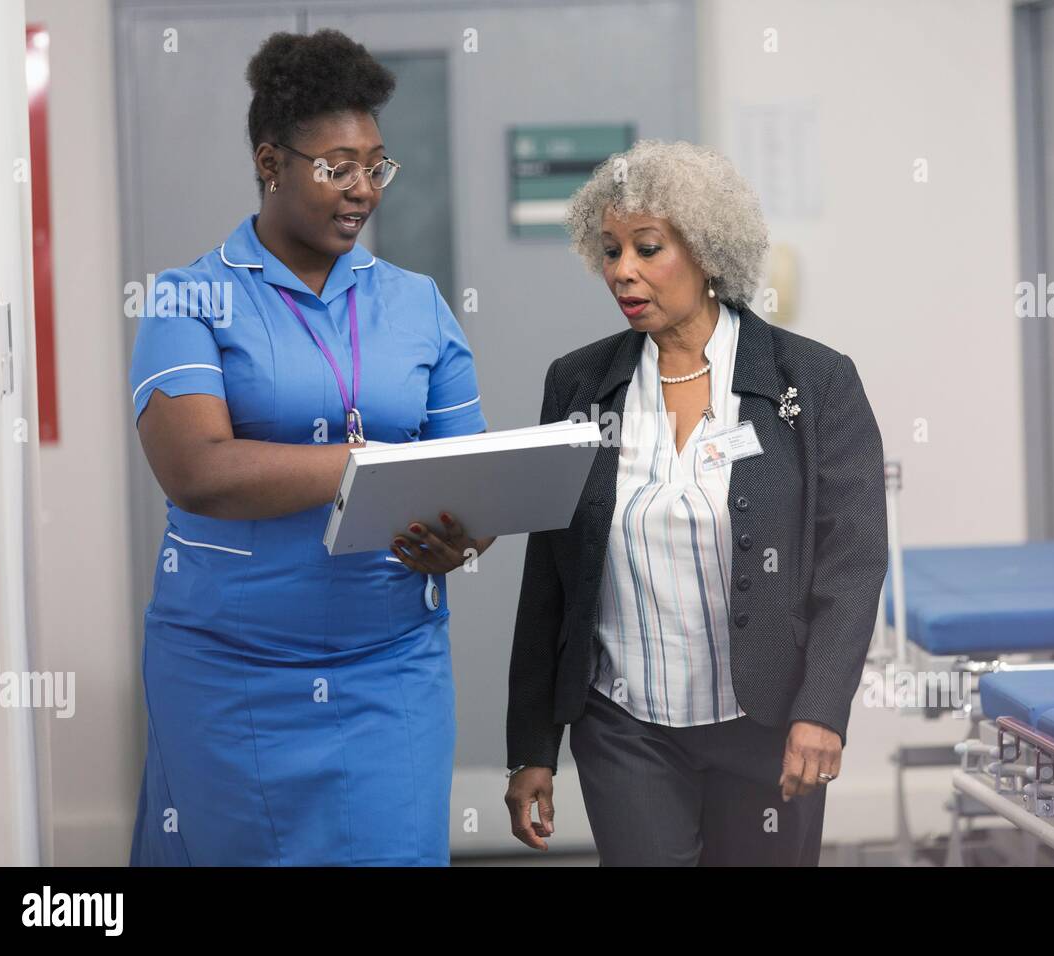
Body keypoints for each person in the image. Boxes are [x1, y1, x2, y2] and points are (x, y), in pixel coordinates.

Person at [128, 29, 491, 866]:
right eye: (337, 167)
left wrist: (460, 534)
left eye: (376, 165)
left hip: (391, 668)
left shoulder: (418, 304)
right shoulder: (190, 299)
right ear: (270, 161)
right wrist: (374, 468)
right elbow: (199, 472)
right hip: (232, 674)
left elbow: (466, 474)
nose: (363, 189)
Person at [504, 140, 887, 865]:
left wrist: (821, 711)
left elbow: (854, 564)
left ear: (709, 251)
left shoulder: (814, 381)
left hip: (769, 723)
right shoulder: (579, 384)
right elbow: (551, 574)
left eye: (648, 248)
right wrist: (531, 748)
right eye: (610, 251)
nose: (623, 271)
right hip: (625, 727)